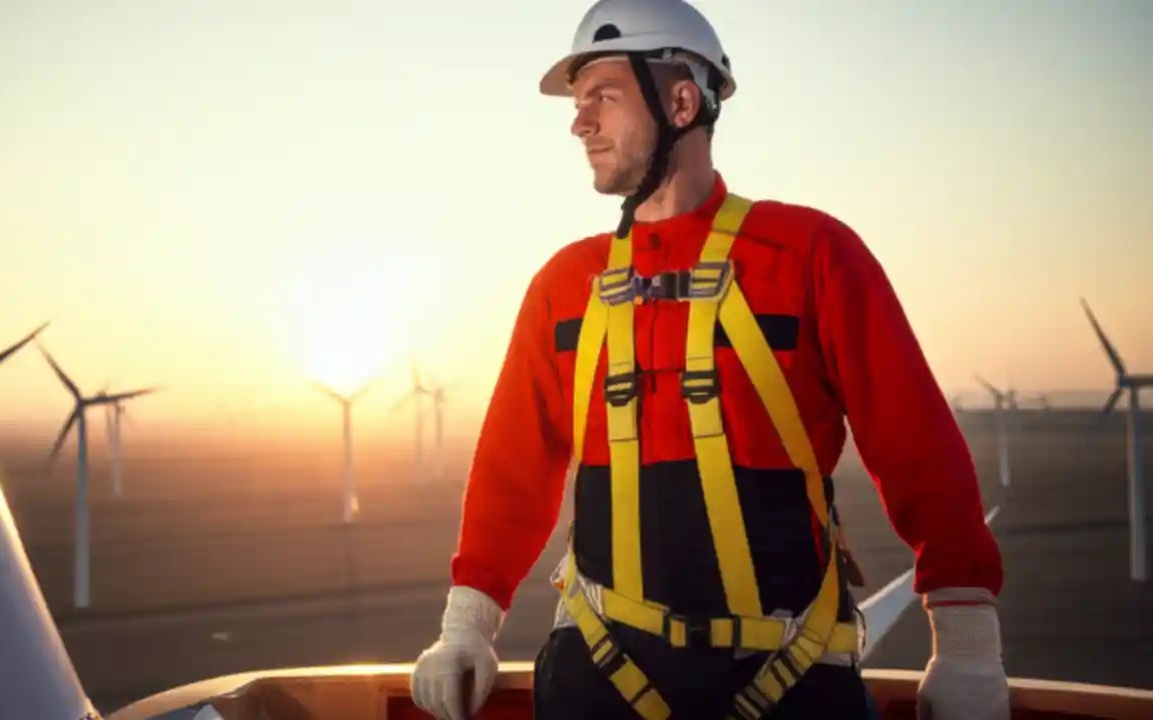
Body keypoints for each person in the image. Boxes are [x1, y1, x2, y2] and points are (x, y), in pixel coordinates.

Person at [410, 1, 1009, 718]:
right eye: (578, 104)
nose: (579, 123)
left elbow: (916, 447)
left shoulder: (811, 256)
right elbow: (514, 468)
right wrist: (466, 627)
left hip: (792, 685)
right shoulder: (565, 286)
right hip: (596, 684)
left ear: (683, 100)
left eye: (603, 96)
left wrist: (968, 641)